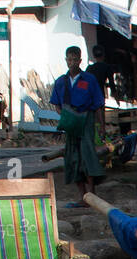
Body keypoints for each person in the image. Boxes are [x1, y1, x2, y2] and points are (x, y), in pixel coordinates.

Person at [50, 46, 105, 205]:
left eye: (75, 59)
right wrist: (66, 116)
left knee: (88, 157)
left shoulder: (89, 80)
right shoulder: (61, 82)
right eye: (69, 59)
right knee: (72, 159)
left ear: (80, 61)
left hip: (86, 121)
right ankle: (82, 196)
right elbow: (57, 104)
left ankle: (93, 195)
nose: (72, 62)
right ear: (66, 60)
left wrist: (102, 126)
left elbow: (98, 105)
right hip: (70, 124)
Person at [86, 44, 116, 130]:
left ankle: (95, 134)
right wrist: (116, 98)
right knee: (101, 115)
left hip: (90, 95)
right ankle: (101, 133)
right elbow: (112, 84)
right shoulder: (107, 67)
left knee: (93, 115)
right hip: (99, 94)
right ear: (103, 55)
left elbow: (83, 81)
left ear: (94, 56)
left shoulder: (90, 68)